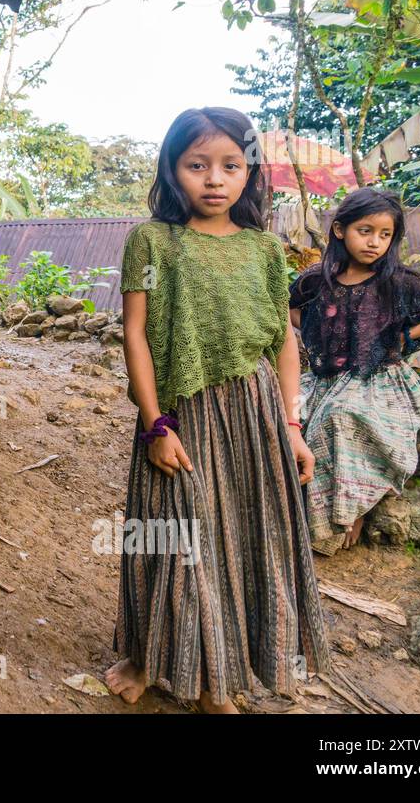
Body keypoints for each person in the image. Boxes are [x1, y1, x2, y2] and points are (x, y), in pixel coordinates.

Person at [105, 107, 329, 713]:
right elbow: (136, 334)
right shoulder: (151, 241)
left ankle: (218, 671)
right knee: (177, 534)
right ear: (172, 171)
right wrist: (155, 423)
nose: (214, 179)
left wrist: (291, 426)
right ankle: (156, 658)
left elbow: (283, 340)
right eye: (196, 165)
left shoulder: (263, 248)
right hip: (181, 414)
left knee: (245, 540)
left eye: (230, 165)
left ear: (249, 173)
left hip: (254, 415)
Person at [289, 187, 420, 555]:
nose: (375, 242)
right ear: (340, 230)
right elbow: (288, 307)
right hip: (325, 379)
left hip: (380, 381)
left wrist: (407, 335)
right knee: (293, 418)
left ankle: (351, 511)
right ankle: (296, 518)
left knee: (340, 418)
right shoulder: (317, 279)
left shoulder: (396, 280)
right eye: (366, 231)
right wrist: (313, 329)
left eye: (385, 235)